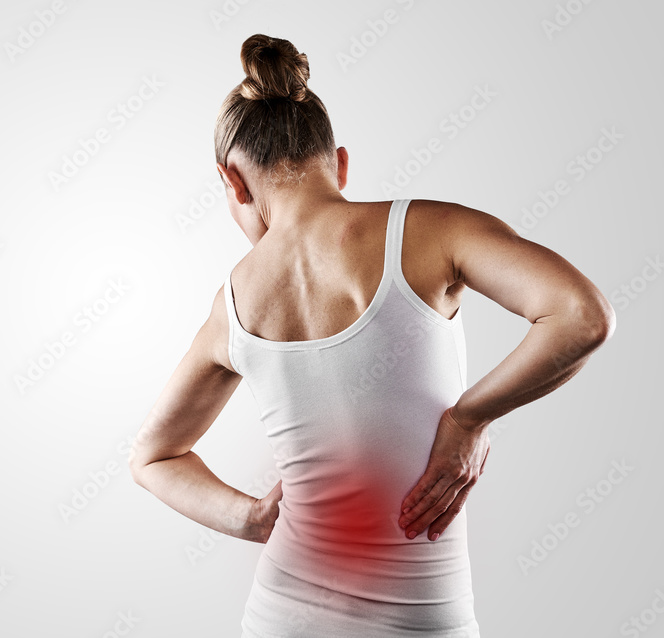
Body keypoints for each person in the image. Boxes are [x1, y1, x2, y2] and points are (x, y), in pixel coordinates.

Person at [128, 33, 616, 637]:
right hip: (423, 621)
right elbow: (581, 316)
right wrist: (469, 419)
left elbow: (152, 457)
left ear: (233, 181)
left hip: (280, 617)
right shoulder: (430, 231)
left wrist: (253, 518)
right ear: (338, 163)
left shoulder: (233, 302)